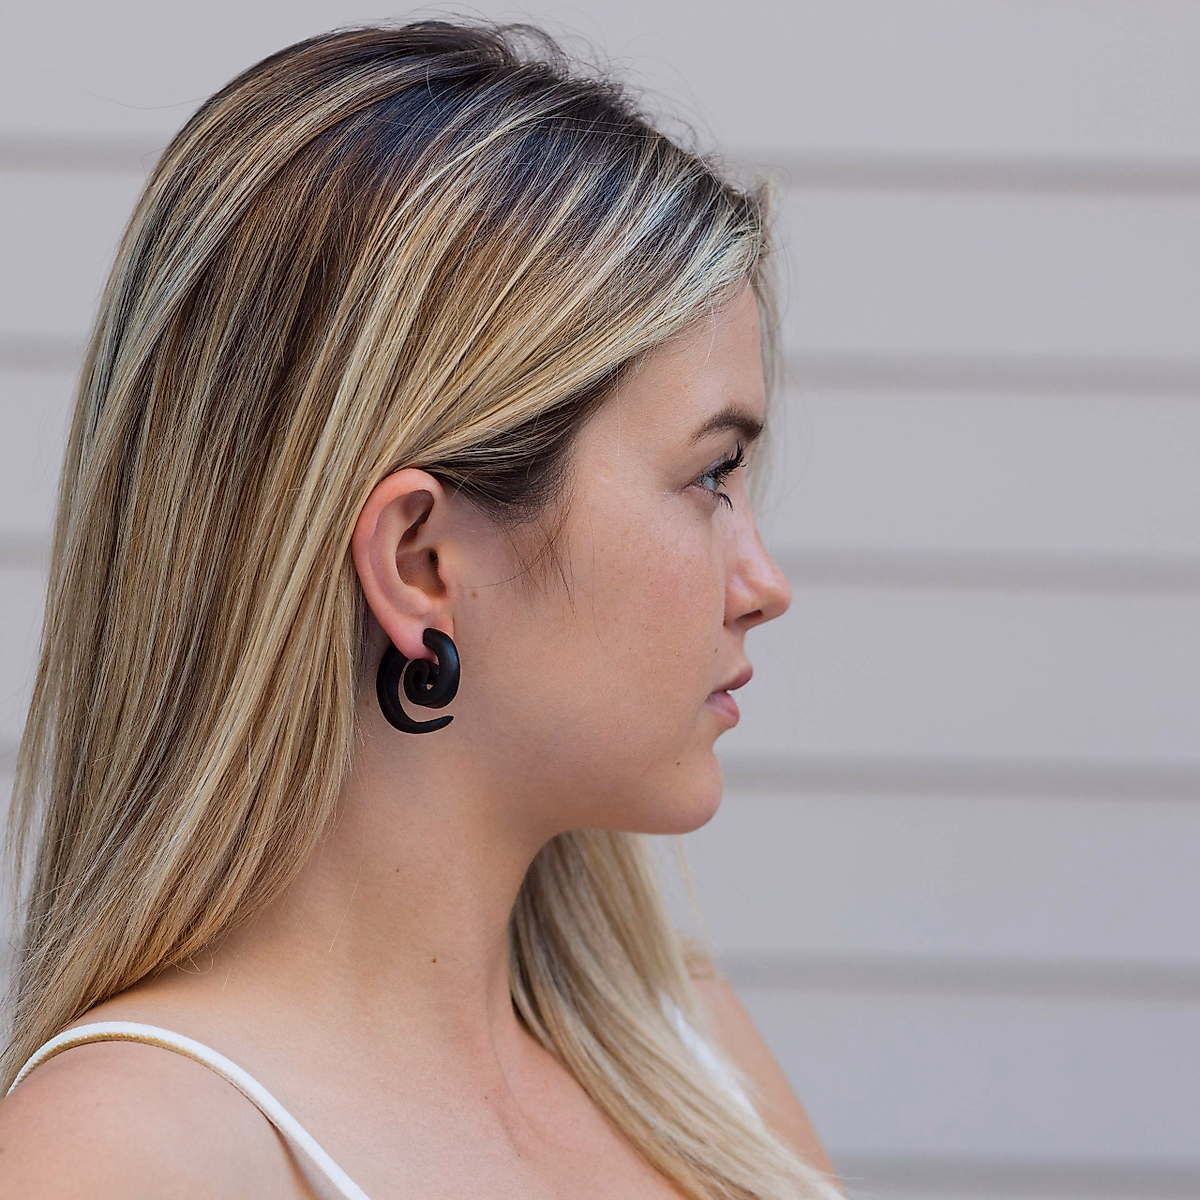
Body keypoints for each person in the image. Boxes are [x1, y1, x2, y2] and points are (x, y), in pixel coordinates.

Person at [0, 19, 842, 1200]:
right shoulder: (127, 1156)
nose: (763, 585)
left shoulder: (678, 1043)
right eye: (710, 475)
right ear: (420, 562)